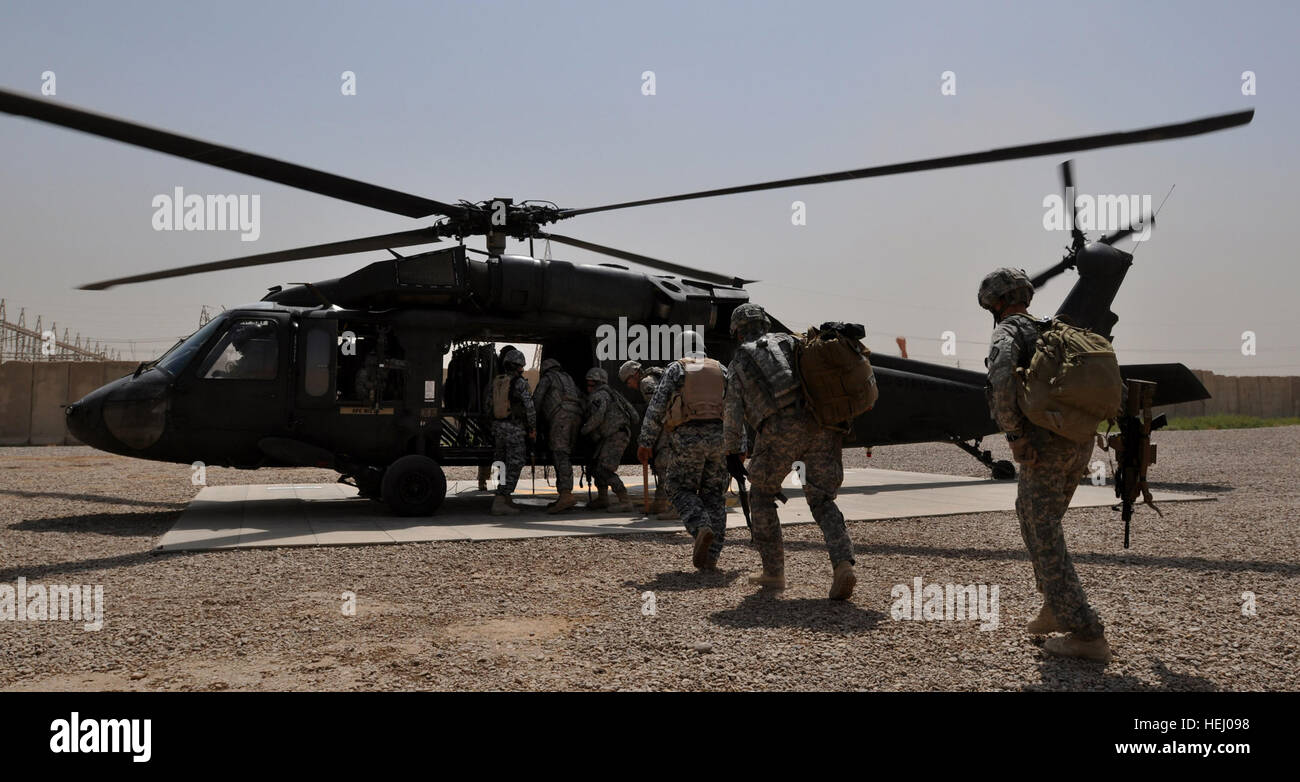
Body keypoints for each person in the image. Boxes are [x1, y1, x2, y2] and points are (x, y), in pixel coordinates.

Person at [979, 267, 1111, 663]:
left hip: (1043, 446)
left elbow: (1002, 383)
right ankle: (1055, 603)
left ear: (995, 302)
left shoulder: (1008, 333)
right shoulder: (1054, 329)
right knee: (1033, 516)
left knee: (1044, 531)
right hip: (1078, 442)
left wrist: (1014, 436)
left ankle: (1086, 633)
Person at [723, 303, 856, 600]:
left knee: (761, 496)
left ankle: (773, 572)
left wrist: (732, 450)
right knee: (822, 500)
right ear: (765, 323)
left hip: (779, 432)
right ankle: (843, 564)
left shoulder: (740, 360)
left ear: (737, 331)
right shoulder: (791, 341)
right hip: (821, 426)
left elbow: (732, 411)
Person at [637, 331, 728, 570]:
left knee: (678, 487)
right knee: (714, 495)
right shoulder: (721, 369)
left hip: (688, 438)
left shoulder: (676, 369)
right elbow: (734, 407)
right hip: (720, 439)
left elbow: (656, 408)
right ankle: (712, 555)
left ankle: (700, 527)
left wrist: (646, 441)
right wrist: (740, 446)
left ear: (680, 348)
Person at [619, 360, 676, 519]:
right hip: (670, 426)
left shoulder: (646, 383)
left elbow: (657, 411)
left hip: (667, 427)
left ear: (635, 374)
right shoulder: (653, 379)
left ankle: (671, 506)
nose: (629, 386)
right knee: (662, 464)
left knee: (663, 464)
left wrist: (648, 439)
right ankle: (660, 502)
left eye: (628, 381)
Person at [488, 348, 536, 516]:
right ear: (519, 366)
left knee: (501, 463)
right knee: (515, 463)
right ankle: (501, 499)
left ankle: (503, 497)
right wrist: (532, 428)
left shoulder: (497, 382)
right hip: (514, 429)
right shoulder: (520, 383)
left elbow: (488, 406)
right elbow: (530, 408)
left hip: (498, 429)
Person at [580, 367, 635, 512]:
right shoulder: (612, 393)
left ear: (598, 383)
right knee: (596, 466)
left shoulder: (599, 396)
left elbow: (597, 418)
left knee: (605, 469)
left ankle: (625, 500)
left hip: (615, 436)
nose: (588, 387)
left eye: (591, 384)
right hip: (612, 435)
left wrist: (584, 430)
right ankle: (603, 498)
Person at [533, 358, 584, 513]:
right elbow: (581, 397)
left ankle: (566, 494)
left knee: (560, 454)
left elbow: (537, 399)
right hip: (576, 416)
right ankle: (565, 494)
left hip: (561, 417)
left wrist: (533, 421)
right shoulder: (568, 378)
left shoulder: (548, 378)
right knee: (565, 455)